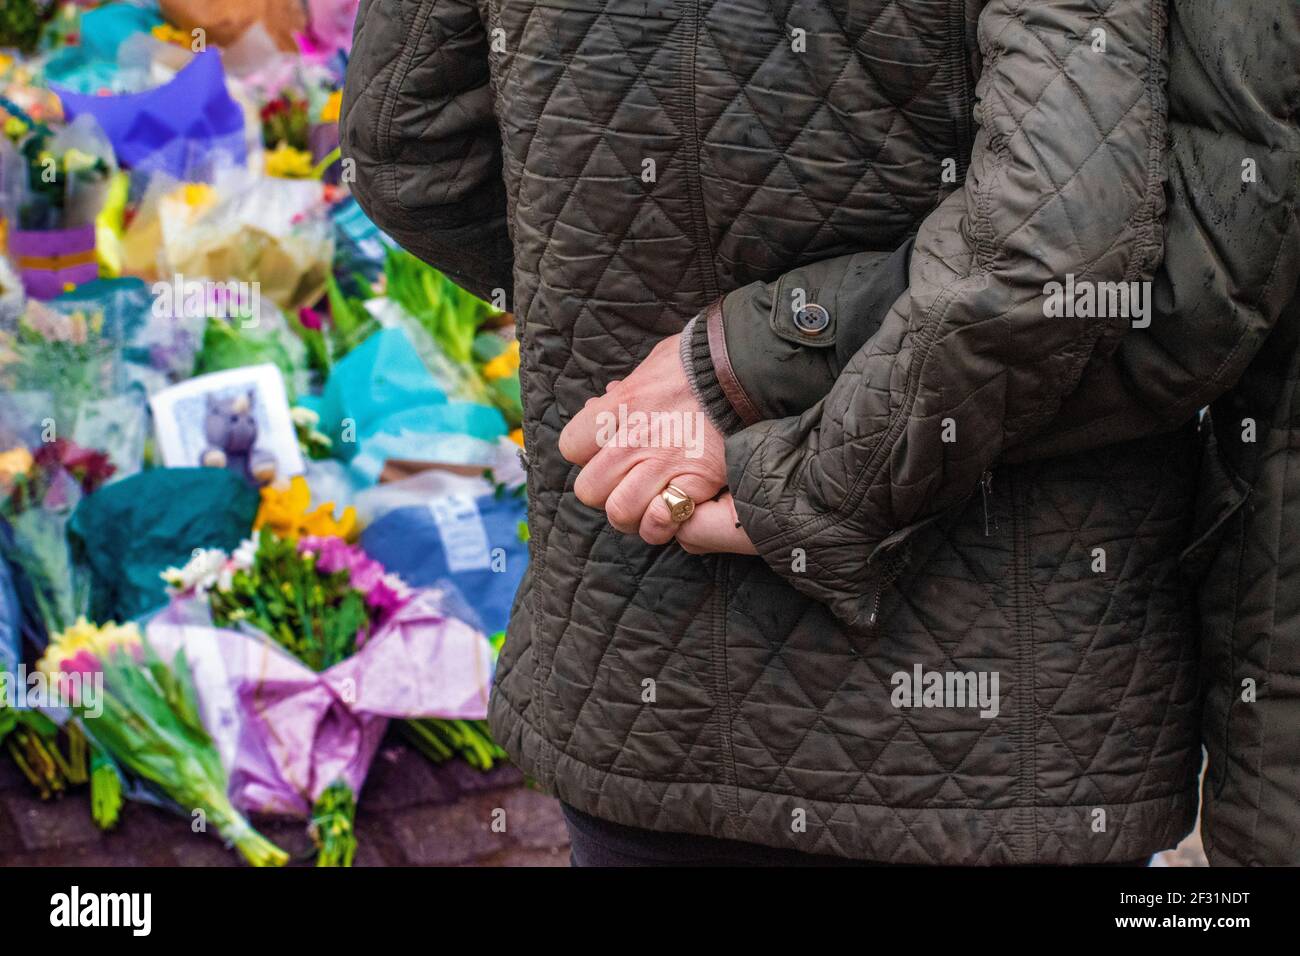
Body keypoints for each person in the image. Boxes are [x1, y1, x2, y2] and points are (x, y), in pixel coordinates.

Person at [342, 0, 1299, 864]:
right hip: (995, 742)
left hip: (650, 668)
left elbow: (411, 149)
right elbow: (1110, 251)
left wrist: (683, 353)